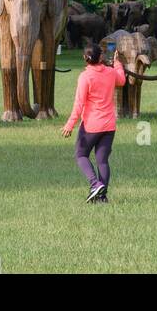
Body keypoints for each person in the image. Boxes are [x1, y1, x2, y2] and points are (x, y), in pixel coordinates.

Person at [61, 43, 125, 203]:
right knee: (102, 160)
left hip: (91, 125)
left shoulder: (85, 77)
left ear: (85, 58)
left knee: (81, 155)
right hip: (109, 125)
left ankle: (94, 184)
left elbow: (79, 104)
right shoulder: (110, 73)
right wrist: (117, 63)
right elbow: (122, 80)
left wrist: (70, 124)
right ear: (101, 57)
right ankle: (102, 197)